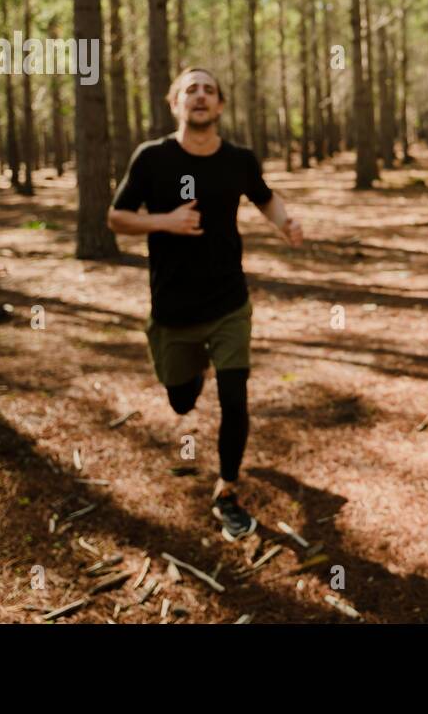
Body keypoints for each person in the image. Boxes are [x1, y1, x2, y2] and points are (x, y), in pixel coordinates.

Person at [108, 66, 304, 541]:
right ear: (175, 103)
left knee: (235, 399)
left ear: (219, 106)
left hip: (229, 303)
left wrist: (286, 222)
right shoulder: (152, 158)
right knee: (181, 401)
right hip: (173, 310)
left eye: (209, 90)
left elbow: (264, 197)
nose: (200, 96)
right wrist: (165, 221)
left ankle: (227, 488)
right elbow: (116, 218)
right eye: (190, 90)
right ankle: (193, 373)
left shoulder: (237, 159)